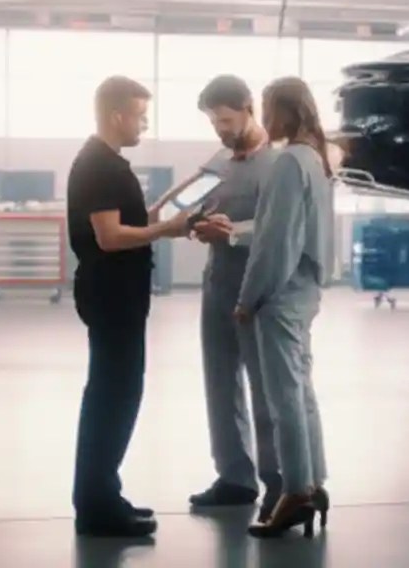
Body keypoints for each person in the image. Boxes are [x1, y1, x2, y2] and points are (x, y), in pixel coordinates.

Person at [66, 75, 192, 537]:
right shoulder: (101, 165)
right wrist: (168, 230)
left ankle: (103, 495)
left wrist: (158, 212)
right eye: (140, 114)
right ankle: (98, 506)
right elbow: (110, 236)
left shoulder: (107, 162)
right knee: (112, 397)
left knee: (113, 395)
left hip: (115, 294)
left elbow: (122, 222)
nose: (144, 123)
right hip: (111, 295)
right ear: (118, 116)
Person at [233, 77, 335, 539]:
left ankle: (295, 491)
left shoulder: (287, 163)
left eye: (268, 109)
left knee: (283, 398)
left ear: (287, 113)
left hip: (281, 294)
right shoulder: (315, 159)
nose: (264, 119)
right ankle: (314, 482)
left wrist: (248, 298)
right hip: (307, 290)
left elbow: (275, 243)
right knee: (302, 391)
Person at [180, 75, 284, 521]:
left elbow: (283, 229)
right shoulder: (218, 161)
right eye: (212, 122)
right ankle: (235, 478)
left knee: (265, 389)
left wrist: (232, 232)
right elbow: (184, 207)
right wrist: (188, 222)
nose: (219, 129)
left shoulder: (280, 165)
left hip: (259, 288)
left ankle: (278, 480)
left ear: (248, 110)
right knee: (220, 383)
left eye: (225, 120)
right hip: (218, 282)